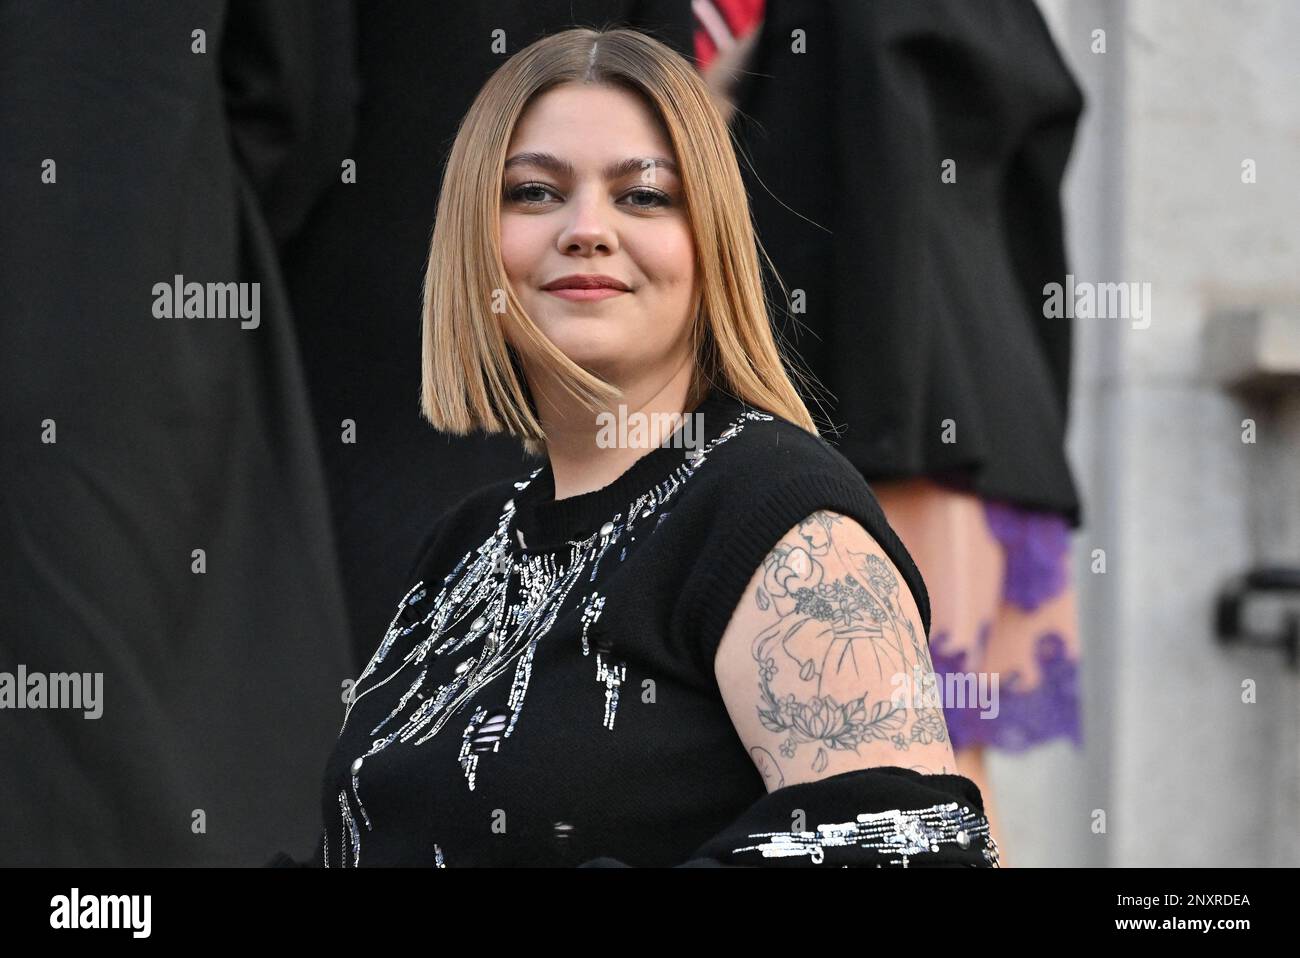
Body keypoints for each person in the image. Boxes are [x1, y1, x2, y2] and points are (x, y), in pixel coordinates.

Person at [269, 27, 999, 867]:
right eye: (534, 193)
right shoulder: (466, 545)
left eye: (644, 195)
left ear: (710, 241)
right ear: (477, 244)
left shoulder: (782, 519)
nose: (586, 229)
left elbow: (913, 853)